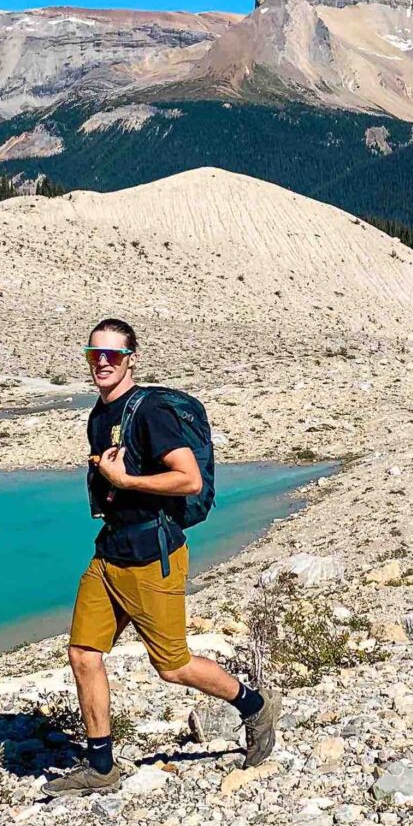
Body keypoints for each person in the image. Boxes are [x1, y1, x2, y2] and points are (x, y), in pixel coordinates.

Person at [43, 318, 281, 794]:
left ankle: (255, 706)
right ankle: (102, 766)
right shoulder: (99, 414)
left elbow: (188, 479)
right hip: (109, 552)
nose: (103, 363)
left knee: (172, 665)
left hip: (152, 556)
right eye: (95, 355)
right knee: (83, 653)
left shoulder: (150, 413)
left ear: (131, 359)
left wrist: (127, 483)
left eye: (113, 355)